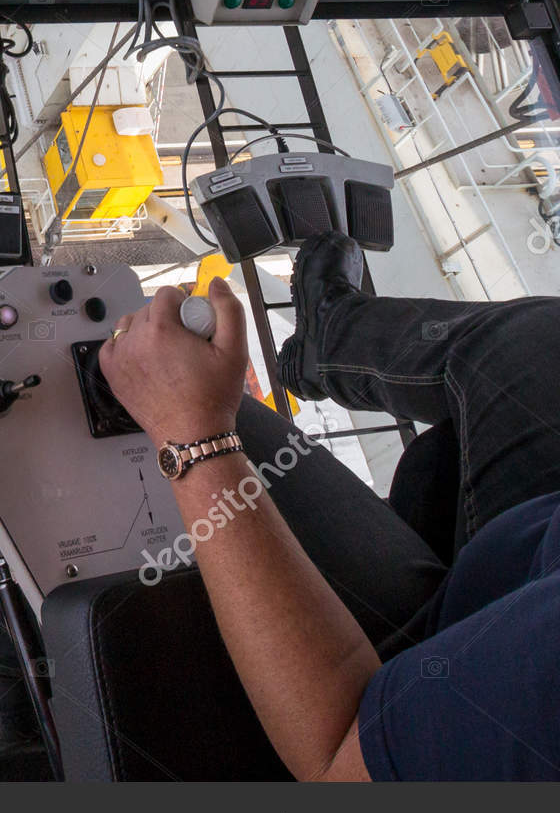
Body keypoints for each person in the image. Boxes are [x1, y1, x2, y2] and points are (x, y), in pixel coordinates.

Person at [85, 231, 560, 780]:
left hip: (383, 703)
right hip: (528, 566)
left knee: (159, 394)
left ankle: (0, 690)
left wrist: (191, 435)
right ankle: (329, 331)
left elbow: (338, 770)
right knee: (536, 346)